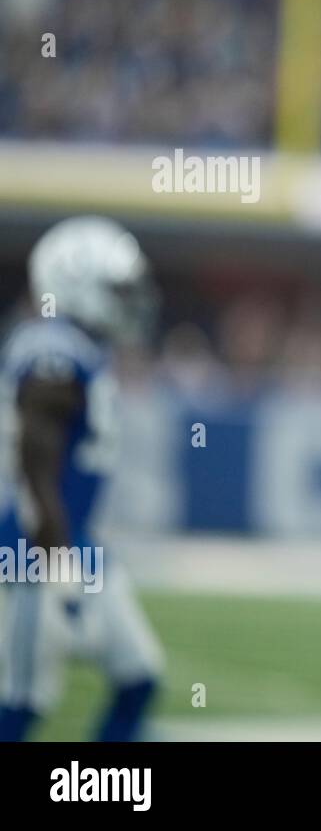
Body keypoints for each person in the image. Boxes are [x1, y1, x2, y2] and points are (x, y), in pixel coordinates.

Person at [0, 216, 165, 742]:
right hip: (33, 551)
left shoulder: (82, 348)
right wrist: (54, 562)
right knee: (19, 707)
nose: (130, 302)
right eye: (118, 290)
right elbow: (35, 462)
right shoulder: (52, 347)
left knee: (138, 676)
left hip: (76, 546)